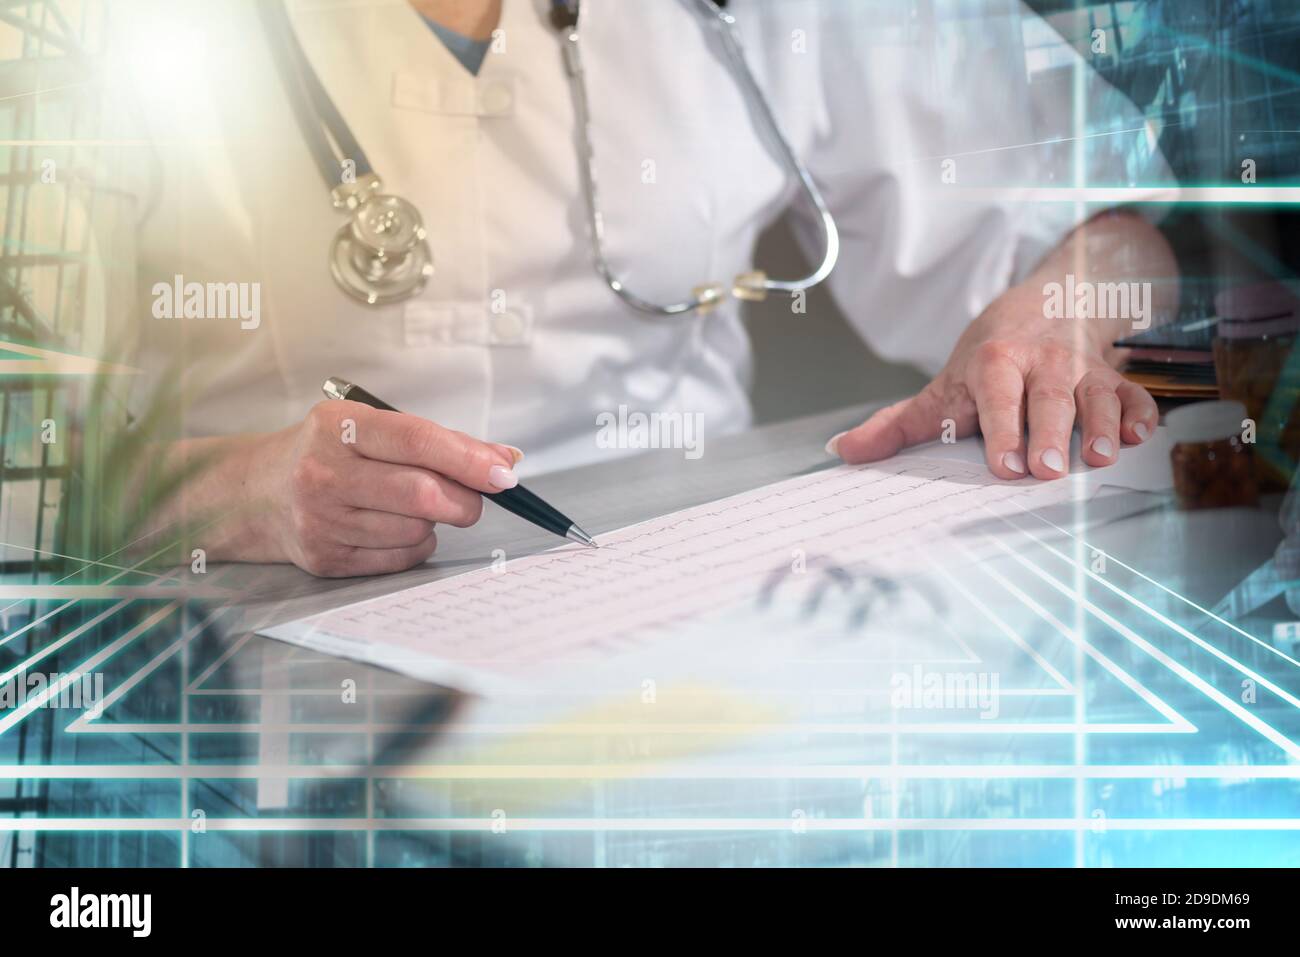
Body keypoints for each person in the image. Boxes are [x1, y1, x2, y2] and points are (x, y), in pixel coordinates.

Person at [104, 0, 1179, 576]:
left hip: (681, 580)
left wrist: (1057, 316)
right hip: (241, 630)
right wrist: (235, 492)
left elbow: (1117, 222)